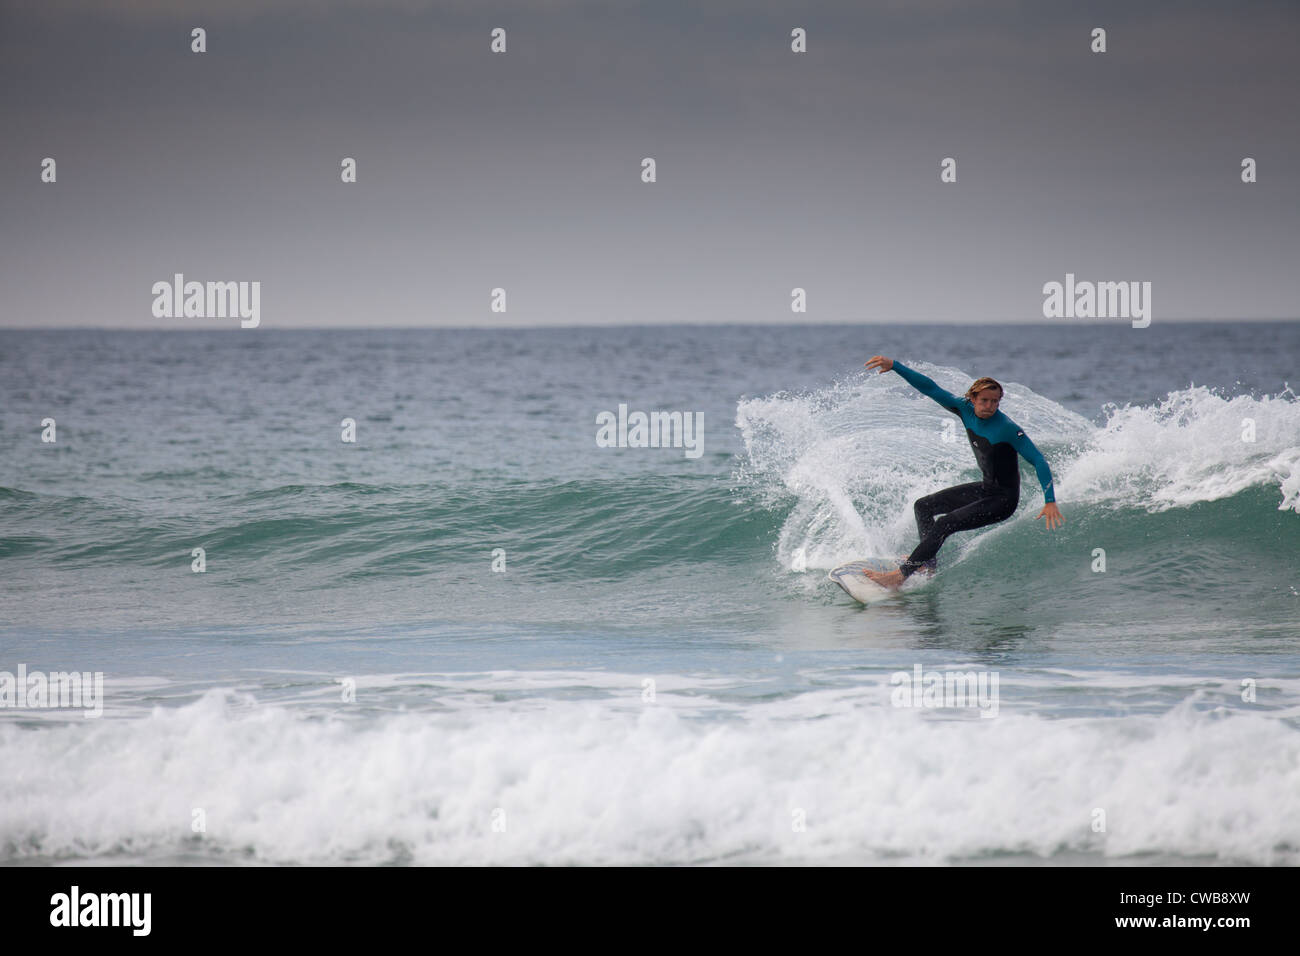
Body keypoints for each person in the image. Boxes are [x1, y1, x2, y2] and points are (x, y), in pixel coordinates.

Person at [860, 355, 1063, 589]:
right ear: (973, 398)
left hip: (1002, 501)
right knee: (923, 506)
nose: (989, 406)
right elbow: (930, 388)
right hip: (986, 489)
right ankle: (927, 563)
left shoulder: (1007, 428)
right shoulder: (963, 409)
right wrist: (896, 366)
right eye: (984, 400)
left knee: (944, 524)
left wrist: (1050, 500)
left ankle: (900, 576)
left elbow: (1038, 460)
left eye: (995, 402)